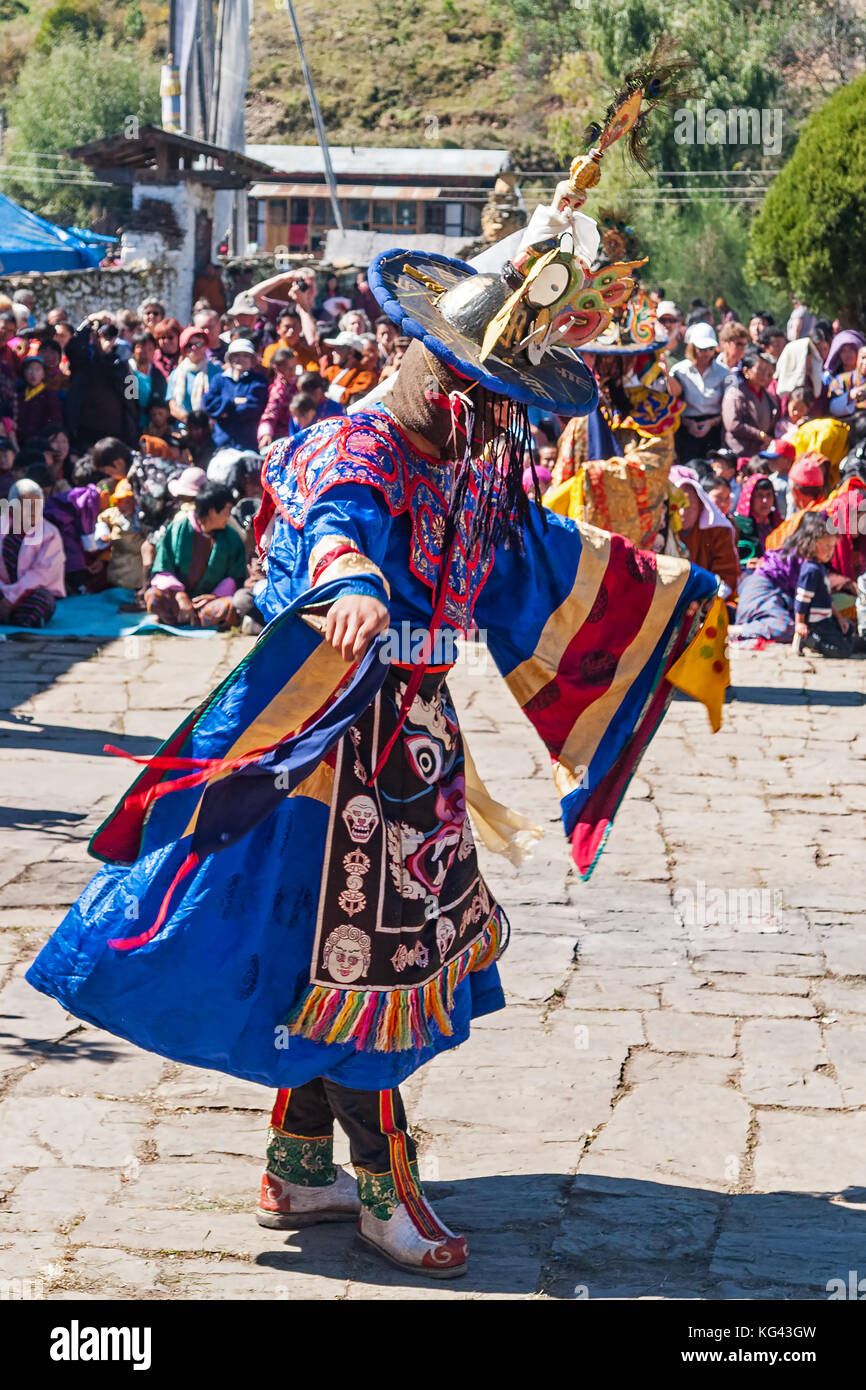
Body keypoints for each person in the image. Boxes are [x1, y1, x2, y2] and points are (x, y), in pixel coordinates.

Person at [26, 78, 723, 1281]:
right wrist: (347, 581)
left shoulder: (475, 454)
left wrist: (666, 594)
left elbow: (531, 561)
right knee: (354, 964)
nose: (491, 424)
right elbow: (329, 517)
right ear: (423, 361)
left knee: (349, 959)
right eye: (475, 396)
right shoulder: (350, 440)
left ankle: (295, 1167)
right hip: (321, 745)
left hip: (414, 748)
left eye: (504, 406)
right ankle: (382, 1190)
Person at [144, 480, 249, 629]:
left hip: (208, 602)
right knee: (153, 596)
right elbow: (163, 566)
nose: (228, 515)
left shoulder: (231, 537)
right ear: (212, 511)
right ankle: (183, 615)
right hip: (176, 597)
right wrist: (180, 596)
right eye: (227, 510)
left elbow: (234, 576)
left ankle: (186, 618)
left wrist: (214, 596)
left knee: (229, 605)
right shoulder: (177, 529)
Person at [0, 478, 66, 627]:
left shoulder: (49, 533)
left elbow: (42, 574)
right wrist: (3, 593)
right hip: (2, 590)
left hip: (30, 592)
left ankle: (16, 619)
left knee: (40, 601)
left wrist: (11, 597)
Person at [670, 465, 739, 598]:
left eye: (689, 506)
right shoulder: (664, 532)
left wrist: (708, 599)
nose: (683, 512)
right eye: (678, 506)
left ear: (701, 506)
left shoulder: (719, 530)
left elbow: (727, 574)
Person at [670, 323, 726, 461]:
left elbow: (727, 408)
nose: (706, 353)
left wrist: (712, 423)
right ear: (692, 348)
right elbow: (672, 403)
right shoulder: (679, 371)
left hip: (714, 431)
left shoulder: (723, 372)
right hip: (685, 430)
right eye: (702, 349)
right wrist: (687, 423)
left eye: (710, 348)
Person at [202, 340, 268, 452]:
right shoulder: (219, 379)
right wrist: (233, 401)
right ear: (230, 358)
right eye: (236, 355)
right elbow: (208, 404)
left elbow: (252, 408)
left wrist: (222, 410)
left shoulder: (259, 381)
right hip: (221, 443)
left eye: (246, 356)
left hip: (248, 444)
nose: (240, 359)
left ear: (252, 359)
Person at [722, 349, 779, 455]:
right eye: (760, 370)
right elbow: (733, 424)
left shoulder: (769, 396)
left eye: (767, 371)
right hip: (739, 451)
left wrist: (767, 440)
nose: (764, 374)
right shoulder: (735, 394)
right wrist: (759, 435)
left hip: (760, 451)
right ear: (746, 371)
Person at [94, 477, 145, 590]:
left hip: (137, 561)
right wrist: (103, 533)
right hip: (118, 558)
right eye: (119, 501)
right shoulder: (113, 514)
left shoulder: (142, 516)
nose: (122, 505)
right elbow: (101, 519)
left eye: (127, 501)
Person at [167, 327, 222, 424]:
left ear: (205, 346)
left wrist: (204, 424)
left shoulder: (217, 372)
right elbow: (173, 405)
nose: (194, 348)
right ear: (183, 348)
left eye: (199, 344)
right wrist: (192, 423)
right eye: (189, 345)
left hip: (210, 428)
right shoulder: (176, 374)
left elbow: (221, 402)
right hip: (183, 429)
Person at [733, 474, 781, 564]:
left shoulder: (778, 523)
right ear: (749, 498)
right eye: (759, 496)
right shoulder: (739, 526)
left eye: (769, 495)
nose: (765, 501)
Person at [322, 331, 378, 405]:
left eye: (339, 348)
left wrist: (328, 389)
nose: (334, 352)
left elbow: (354, 400)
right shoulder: (331, 371)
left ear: (350, 352)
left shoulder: (367, 376)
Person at [16, 356, 62, 444]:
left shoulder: (49, 395)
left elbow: (54, 422)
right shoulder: (19, 395)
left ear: (43, 374)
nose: (33, 374)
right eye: (29, 369)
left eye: (37, 370)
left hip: (40, 443)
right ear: (24, 373)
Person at [130, 331, 167, 433]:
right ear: (133, 349)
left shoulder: (158, 376)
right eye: (141, 347)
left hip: (152, 429)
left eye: (150, 349)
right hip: (129, 426)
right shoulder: (126, 372)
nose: (146, 352)